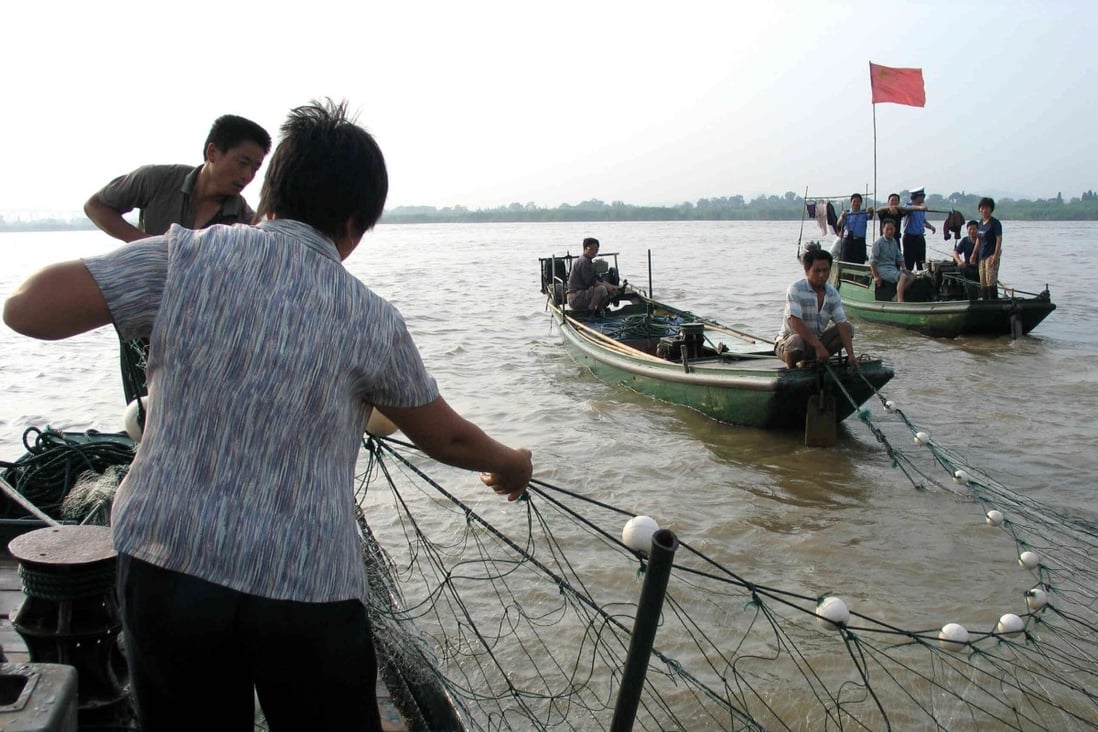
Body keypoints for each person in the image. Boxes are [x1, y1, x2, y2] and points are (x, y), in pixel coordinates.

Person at [4, 98, 533, 732]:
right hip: (307, 586)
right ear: (357, 223)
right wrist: (509, 464)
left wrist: (150, 275)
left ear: (269, 195)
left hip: (167, 560)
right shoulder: (371, 317)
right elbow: (445, 435)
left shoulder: (185, 259)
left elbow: (26, 308)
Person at [85, 114, 273, 404]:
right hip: (144, 319)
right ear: (212, 152)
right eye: (242, 162)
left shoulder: (245, 220)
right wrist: (147, 246)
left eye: (256, 168)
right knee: (143, 409)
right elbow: (97, 206)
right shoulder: (157, 180)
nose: (248, 176)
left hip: (198, 330)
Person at [774, 249, 857, 370]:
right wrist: (818, 346)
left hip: (816, 342)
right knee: (796, 341)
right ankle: (792, 368)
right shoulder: (796, 289)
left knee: (848, 329)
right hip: (789, 342)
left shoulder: (832, 294)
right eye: (817, 271)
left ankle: (813, 360)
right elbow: (795, 322)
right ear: (807, 271)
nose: (822, 275)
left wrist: (851, 355)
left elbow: (841, 324)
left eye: (825, 270)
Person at [566, 237, 619, 311]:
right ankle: (591, 312)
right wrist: (608, 287)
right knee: (601, 289)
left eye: (596, 250)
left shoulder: (588, 262)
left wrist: (613, 287)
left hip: (581, 295)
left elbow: (598, 279)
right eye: (591, 249)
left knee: (607, 288)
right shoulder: (583, 262)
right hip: (575, 297)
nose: (594, 251)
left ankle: (599, 310)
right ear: (585, 249)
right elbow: (592, 282)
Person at [870, 220, 913, 302]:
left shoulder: (894, 242)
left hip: (892, 269)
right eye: (887, 229)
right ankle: (900, 300)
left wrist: (904, 268)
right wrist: (876, 276)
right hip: (882, 269)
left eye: (891, 229)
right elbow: (872, 261)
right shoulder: (878, 243)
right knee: (903, 277)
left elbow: (899, 257)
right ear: (883, 229)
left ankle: (896, 296)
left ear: (894, 229)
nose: (889, 231)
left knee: (911, 276)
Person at [901, 187, 936, 271]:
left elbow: (923, 221)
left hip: (920, 238)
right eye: (922, 196)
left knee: (921, 263)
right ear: (917, 196)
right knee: (909, 263)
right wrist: (919, 208)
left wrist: (931, 227)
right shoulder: (907, 206)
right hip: (910, 238)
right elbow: (906, 210)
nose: (923, 198)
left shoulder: (922, 208)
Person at [975, 196, 1004, 299]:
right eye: (982, 208)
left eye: (986, 208)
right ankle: (985, 301)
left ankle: (993, 301)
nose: (984, 210)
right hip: (981, 256)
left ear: (991, 209)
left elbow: (999, 239)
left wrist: (996, 255)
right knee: (983, 281)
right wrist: (974, 254)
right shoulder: (980, 223)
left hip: (991, 255)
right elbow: (978, 239)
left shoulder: (995, 223)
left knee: (990, 280)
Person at [834, 193, 874, 263]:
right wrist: (842, 217)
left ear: (861, 203)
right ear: (851, 202)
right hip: (847, 241)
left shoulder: (864, 214)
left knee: (859, 263)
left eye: (858, 202)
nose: (856, 203)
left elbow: (870, 215)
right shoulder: (846, 213)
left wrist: (871, 211)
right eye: (854, 201)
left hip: (860, 242)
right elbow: (838, 224)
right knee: (845, 262)